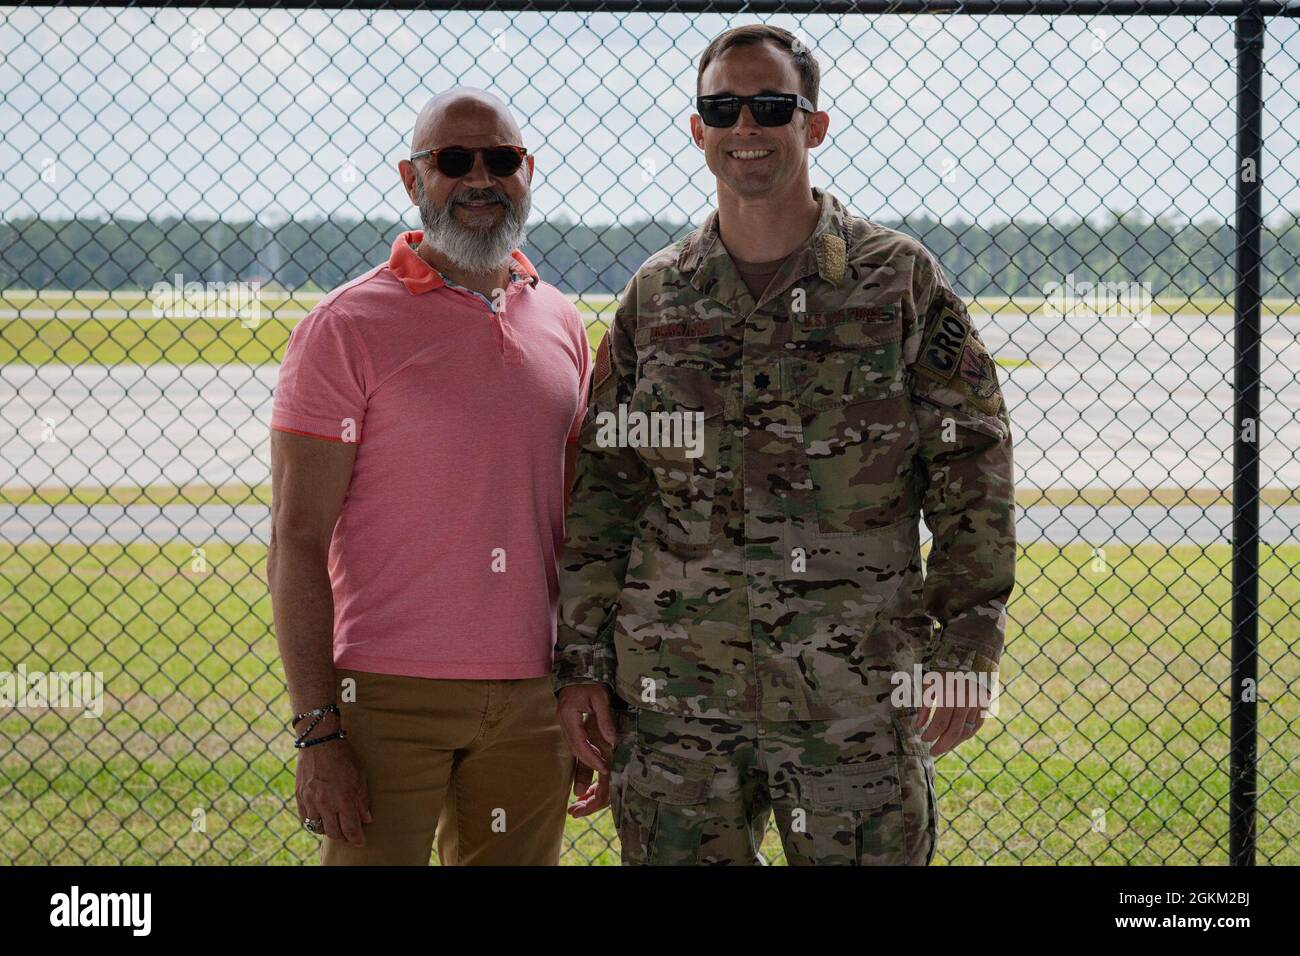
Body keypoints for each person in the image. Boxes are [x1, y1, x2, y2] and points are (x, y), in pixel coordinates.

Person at [554, 24, 1015, 865]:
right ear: (697, 129)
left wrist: (965, 647)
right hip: (678, 698)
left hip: (855, 700)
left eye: (772, 106)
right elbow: (604, 490)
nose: (746, 128)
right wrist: (581, 660)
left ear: (815, 124)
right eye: (722, 108)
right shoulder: (655, 298)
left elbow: (971, 463)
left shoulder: (895, 280)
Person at [269, 88, 599, 866]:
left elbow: (583, 528)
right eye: (453, 161)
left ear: (527, 172)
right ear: (412, 180)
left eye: (501, 160)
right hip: (384, 696)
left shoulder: (563, 323)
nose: (479, 177)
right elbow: (297, 539)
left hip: (533, 695)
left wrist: (586, 687)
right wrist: (319, 729)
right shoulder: (344, 327)